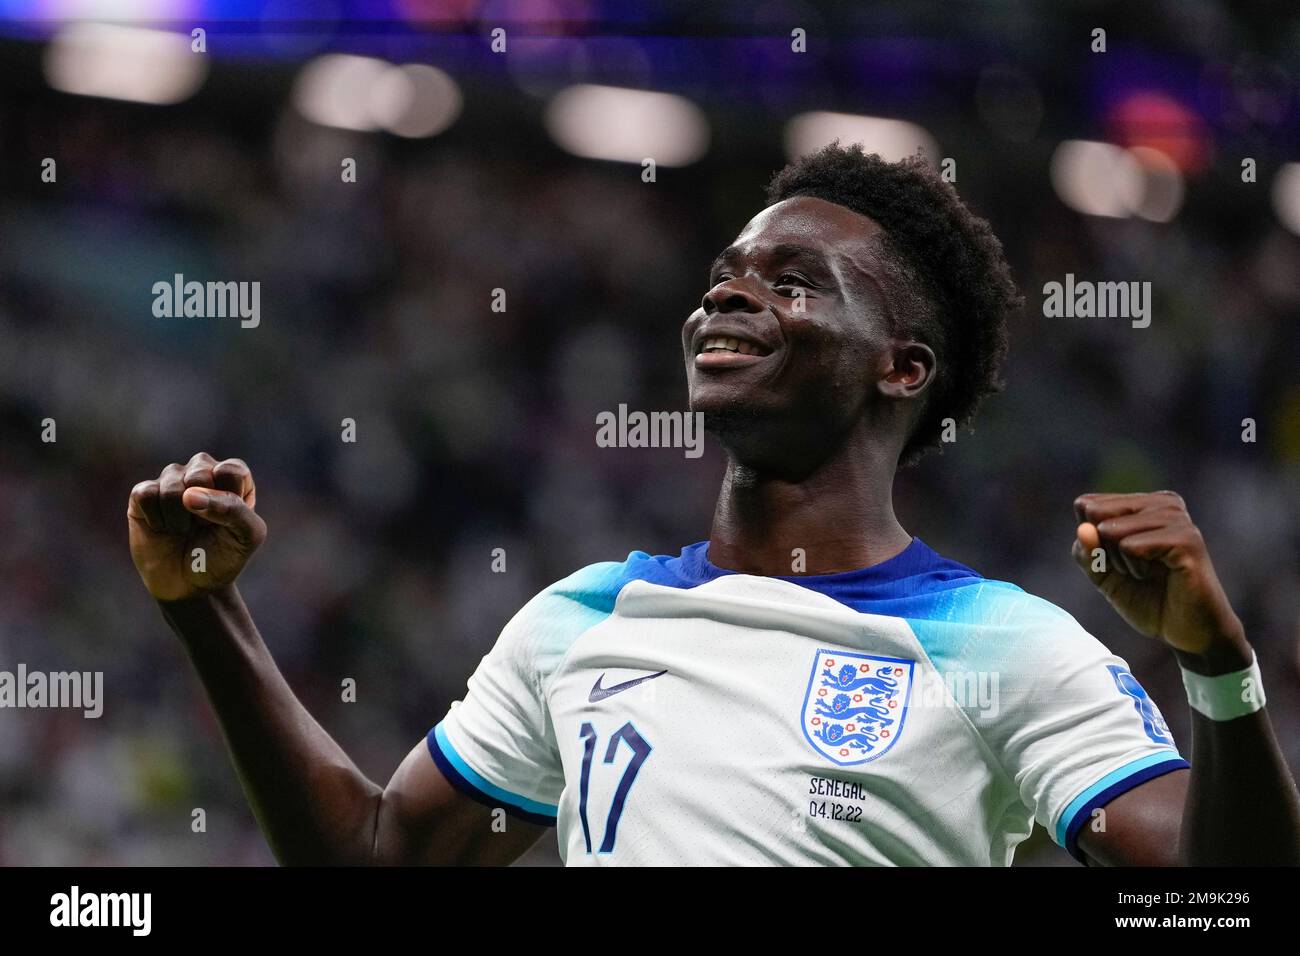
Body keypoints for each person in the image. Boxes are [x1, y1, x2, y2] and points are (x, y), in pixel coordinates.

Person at [126, 144, 1300, 865]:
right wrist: (207, 613)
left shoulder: (1008, 644)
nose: (728, 295)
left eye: (790, 282)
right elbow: (377, 854)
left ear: (902, 365)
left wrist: (1220, 672)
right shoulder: (579, 618)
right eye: (725, 275)